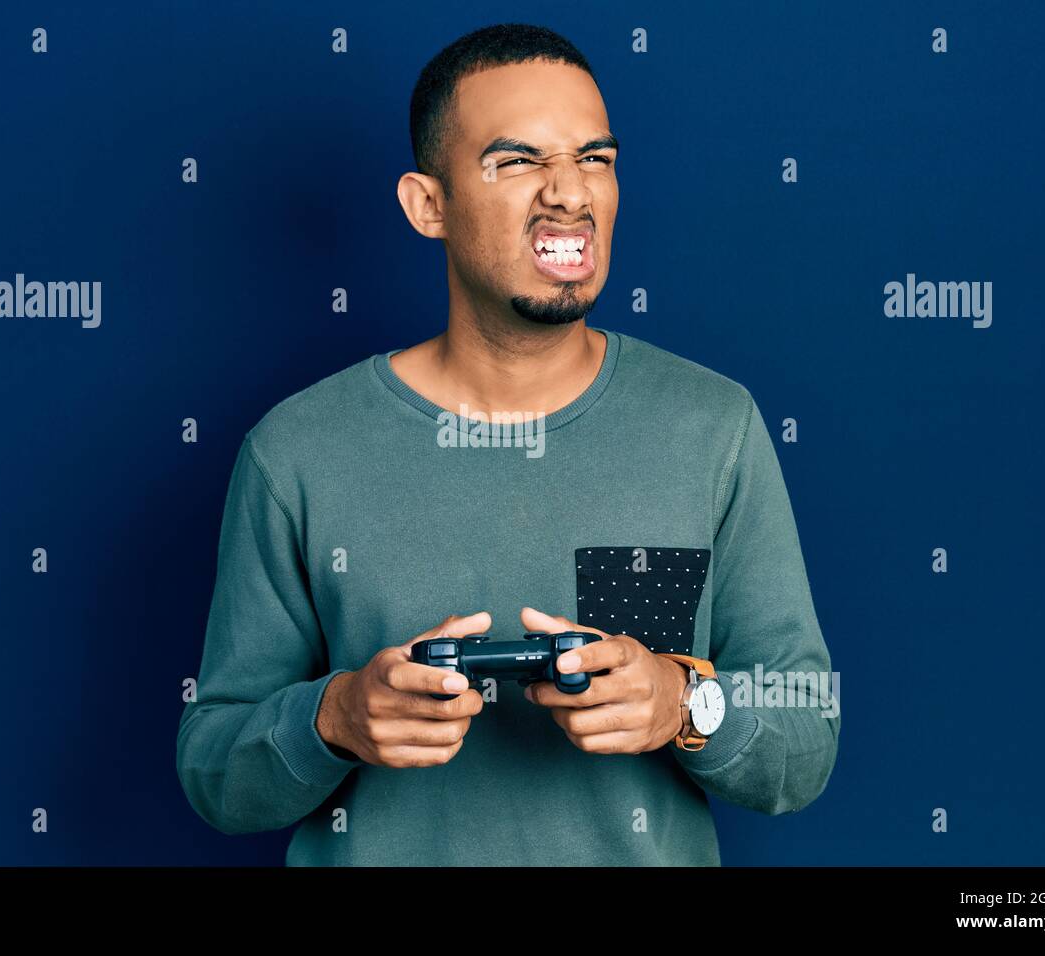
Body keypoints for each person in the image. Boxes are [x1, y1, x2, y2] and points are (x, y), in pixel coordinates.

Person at [176, 22, 839, 866]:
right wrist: (336, 718)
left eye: (595, 158)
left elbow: (807, 737)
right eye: (519, 161)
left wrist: (681, 703)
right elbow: (213, 769)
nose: (569, 193)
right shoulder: (295, 451)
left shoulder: (716, 426)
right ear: (430, 205)